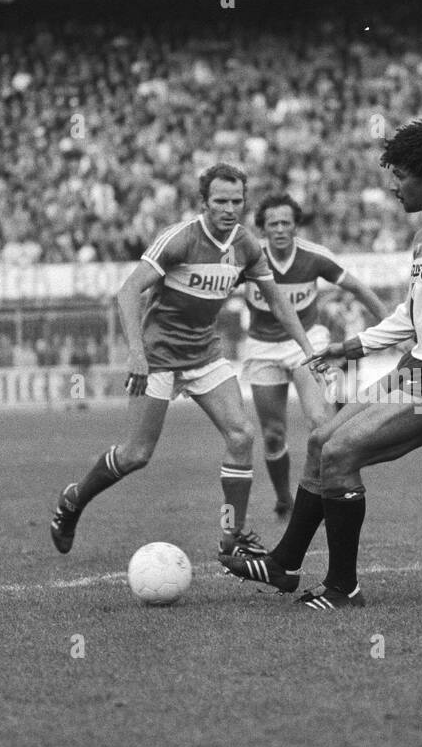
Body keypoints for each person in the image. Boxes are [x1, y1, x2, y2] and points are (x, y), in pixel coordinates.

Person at [220, 118, 422, 609]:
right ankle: (284, 564)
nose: (393, 185)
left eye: (400, 175)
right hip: (419, 366)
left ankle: (344, 587)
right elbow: (409, 317)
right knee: (321, 440)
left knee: (342, 452)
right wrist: (347, 348)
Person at [49, 163, 316, 558]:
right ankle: (73, 499)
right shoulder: (178, 239)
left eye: (236, 201)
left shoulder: (245, 246)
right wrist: (136, 354)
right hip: (157, 358)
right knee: (136, 454)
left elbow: (277, 301)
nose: (229, 209)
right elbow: (127, 292)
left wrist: (309, 351)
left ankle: (232, 536)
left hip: (205, 355)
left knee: (242, 435)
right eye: (220, 201)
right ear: (203, 203)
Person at [246, 194, 389, 519]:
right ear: (263, 229)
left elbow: (359, 288)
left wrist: (395, 324)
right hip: (262, 347)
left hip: (307, 342)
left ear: (296, 226)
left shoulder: (314, 256)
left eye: (286, 223)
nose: (280, 229)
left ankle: (326, 496)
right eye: (273, 224)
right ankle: (284, 499)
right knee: (272, 434)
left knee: (319, 421)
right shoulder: (248, 257)